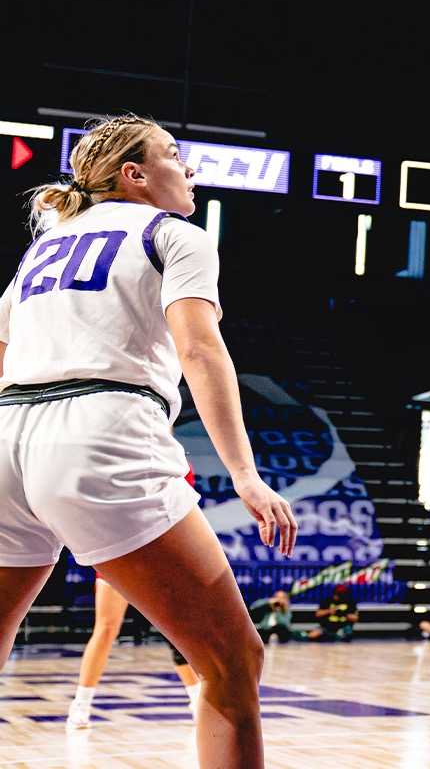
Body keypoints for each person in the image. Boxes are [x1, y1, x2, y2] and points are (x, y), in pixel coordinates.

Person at [0, 115, 298, 769]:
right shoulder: (173, 234)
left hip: (8, 431)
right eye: (173, 155)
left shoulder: (42, 249)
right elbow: (201, 350)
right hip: (99, 432)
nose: (189, 169)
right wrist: (245, 474)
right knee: (231, 659)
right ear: (134, 175)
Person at [67, 576, 203, 728]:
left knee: (175, 632)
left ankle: (198, 701)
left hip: (154, 568)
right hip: (117, 565)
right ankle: (81, 704)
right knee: (106, 629)